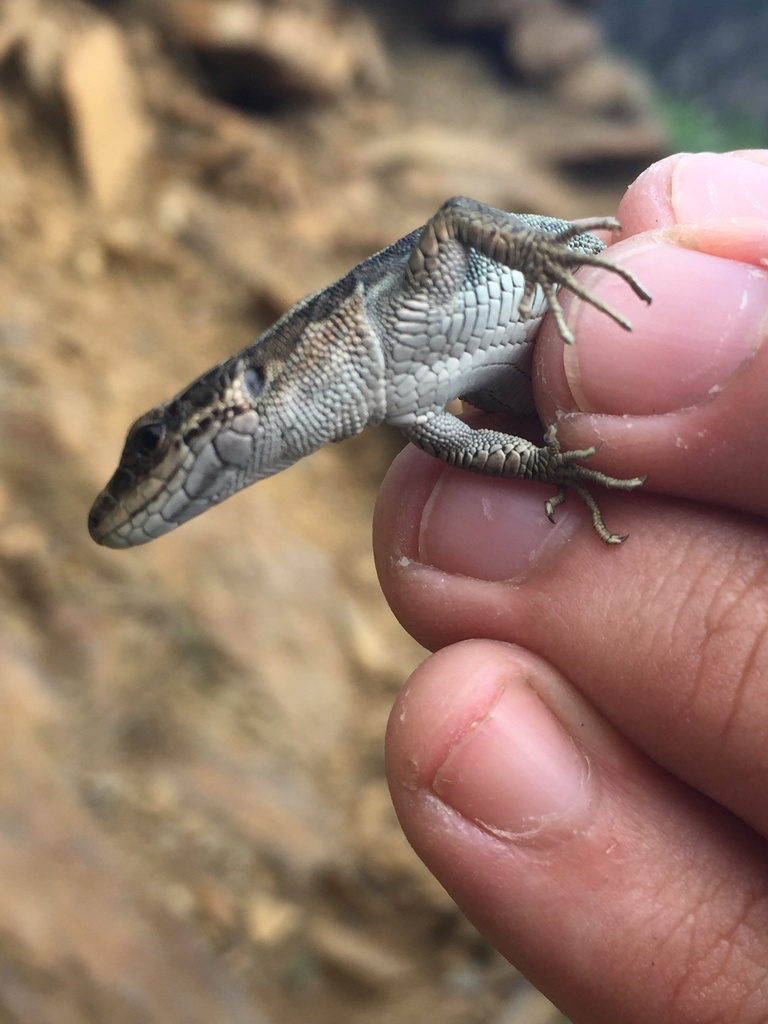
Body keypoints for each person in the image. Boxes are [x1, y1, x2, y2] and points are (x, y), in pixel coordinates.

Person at [373, 150, 768, 1023]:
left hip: (581, 272)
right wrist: (553, 464)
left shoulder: (396, 336)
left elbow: (457, 218)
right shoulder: (412, 409)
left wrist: (547, 262)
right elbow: (481, 445)